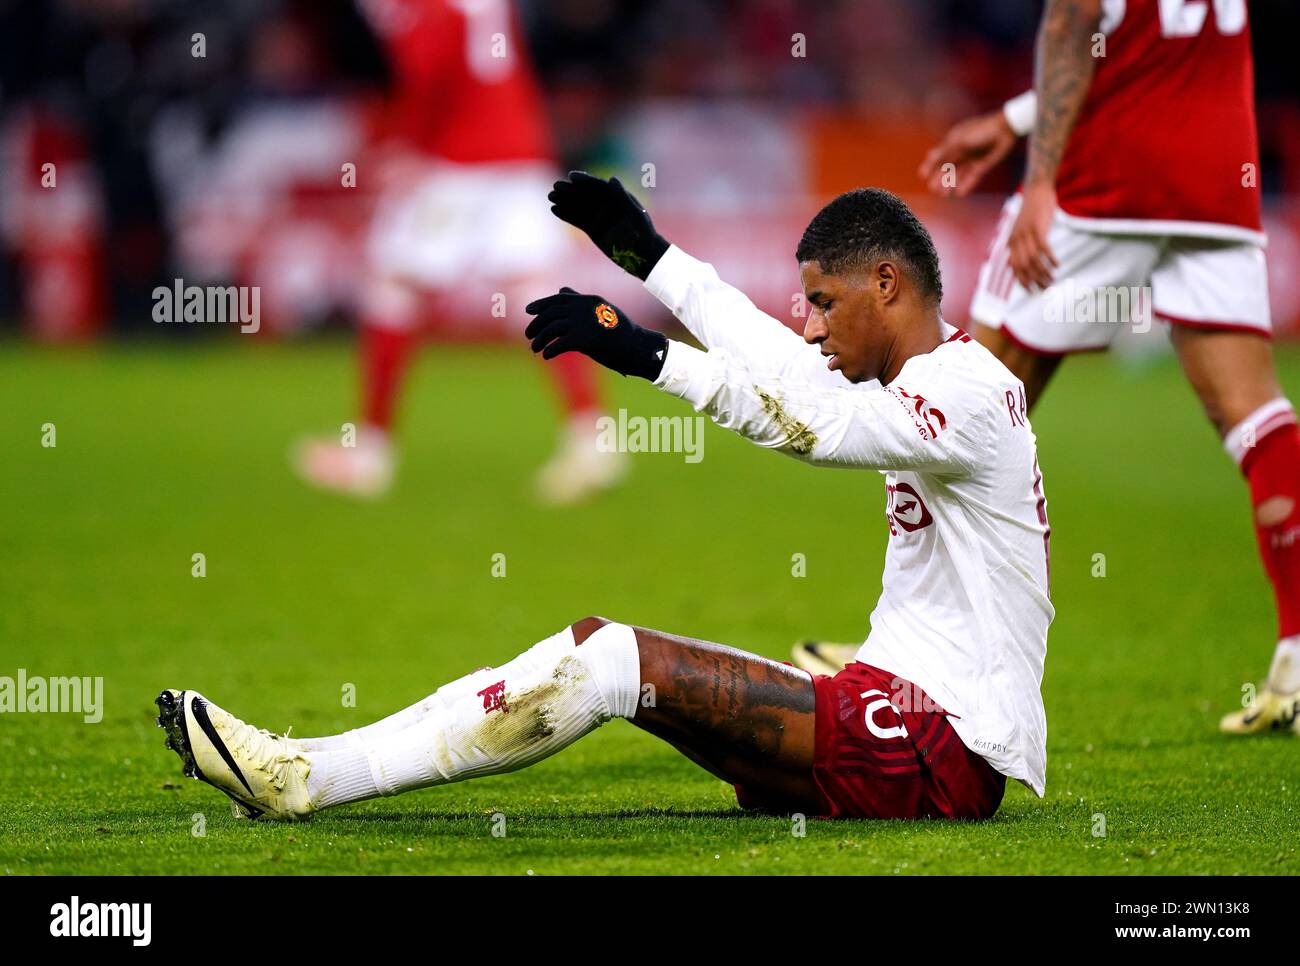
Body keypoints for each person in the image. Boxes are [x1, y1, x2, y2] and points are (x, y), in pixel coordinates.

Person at [156, 176, 1052, 822]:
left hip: (941, 747)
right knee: (599, 651)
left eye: (823, 303)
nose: (809, 325)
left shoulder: (967, 392)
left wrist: (645, 354)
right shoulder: (923, 381)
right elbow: (784, 369)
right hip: (885, 706)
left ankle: (305, 776)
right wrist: (650, 258)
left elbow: (811, 430)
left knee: (612, 660)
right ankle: (303, 766)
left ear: (887, 286)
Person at [804, 0, 1299, 736]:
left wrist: (1040, 182)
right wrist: (1015, 116)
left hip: (1104, 176)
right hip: (1217, 175)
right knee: (1254, 413)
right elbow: (1143, 46)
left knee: (947, 402)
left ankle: (902, 657)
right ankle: (1295, 660)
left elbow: (1076, 23)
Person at [293, 0, 623, 504]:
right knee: (533, 291)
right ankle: (591, 435)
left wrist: (410, 145)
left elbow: (428, 65)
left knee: (393, 284)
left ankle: (369, 453)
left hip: (457, 157)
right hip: (517, 145)